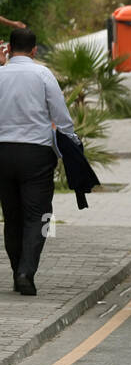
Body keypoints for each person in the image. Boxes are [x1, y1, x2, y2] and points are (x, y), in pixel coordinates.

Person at [0, 27, 80, 295]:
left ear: (9, 49)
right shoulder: (43, 74)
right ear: (34, 50)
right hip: (36, 155)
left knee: (11, 216)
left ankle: (16, 271)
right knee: (39, 215)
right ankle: (26, 271)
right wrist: (72, 143)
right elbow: (61, 116)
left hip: (2, 152)